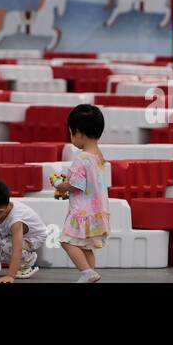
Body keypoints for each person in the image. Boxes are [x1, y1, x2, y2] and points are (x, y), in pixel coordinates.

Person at [59, 104, 110, 283]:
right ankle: (90, 274)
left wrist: (61, 185)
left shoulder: (81, 158)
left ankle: (87, 273)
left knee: (66, 241)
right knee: (87, 247)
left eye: (71, 133)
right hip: (97, 212)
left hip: (81, 211)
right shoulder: (99, 156)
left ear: (78, 133)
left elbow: (76, 185)